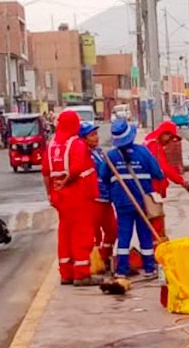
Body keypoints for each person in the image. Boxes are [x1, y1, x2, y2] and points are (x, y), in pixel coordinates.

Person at [98, 117, 165, 279]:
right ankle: (149, 268)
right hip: (142, 201)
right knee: (145, 234)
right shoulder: (143, 152)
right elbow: (158, 173)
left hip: (121, 201)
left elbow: (103, 176)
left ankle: (122, 270)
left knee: (124, 234)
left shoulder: (111, 156)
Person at [43, 109, 100, 286]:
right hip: (78, 194)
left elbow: (46, 172)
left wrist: (51, 193)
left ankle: (66, 273)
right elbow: (75, 169)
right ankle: (81, 274)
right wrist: (66, 181)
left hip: (60, 197)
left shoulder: (51, 145)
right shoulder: (76, 144)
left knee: (65, 233)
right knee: (82, 233)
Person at [144, 120, 189, 240]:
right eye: (170, 137)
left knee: (154, 224)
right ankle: (156, 252)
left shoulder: (151, 143)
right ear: (164, 133)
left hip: (151, 190)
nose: (170, 141)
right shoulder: (154, 146)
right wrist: (181, 181)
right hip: (152, 191)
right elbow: (164, 168)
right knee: (156, 225)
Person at [80, 121, 117, 271]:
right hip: (93, 199)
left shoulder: (100, 152)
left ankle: (104, 256)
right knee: (95, 234)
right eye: (92, 135)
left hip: (106, 197)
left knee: (112, 230)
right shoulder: (83, 154)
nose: (96, 137)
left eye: (96, 134)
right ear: (84, 138)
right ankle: (94, 262)